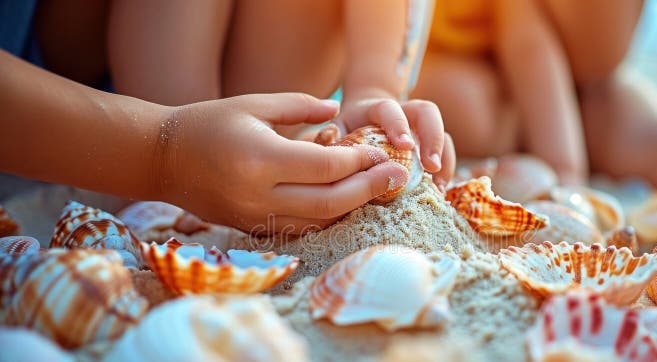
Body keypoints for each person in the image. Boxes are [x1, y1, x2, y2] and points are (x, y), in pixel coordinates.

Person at [0, 0, 449, 236]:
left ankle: (241, 148)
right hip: (49, 90)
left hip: (242, 86)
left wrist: (375, 85)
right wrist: (165, 152)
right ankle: (182, 145)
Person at [107, 0, 455, 190]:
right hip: (117, 89)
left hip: (274, 73)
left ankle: (262, 145)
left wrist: (374, 88)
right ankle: (175, 150)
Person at [411, 0, 657, 187]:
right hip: (459, 58)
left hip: (560, 64)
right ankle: (530, 134)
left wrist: (566, 175)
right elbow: (527, 45)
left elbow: (533, 46)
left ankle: (530, 130)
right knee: (464, 107)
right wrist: (565, 171)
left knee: (651, 145)